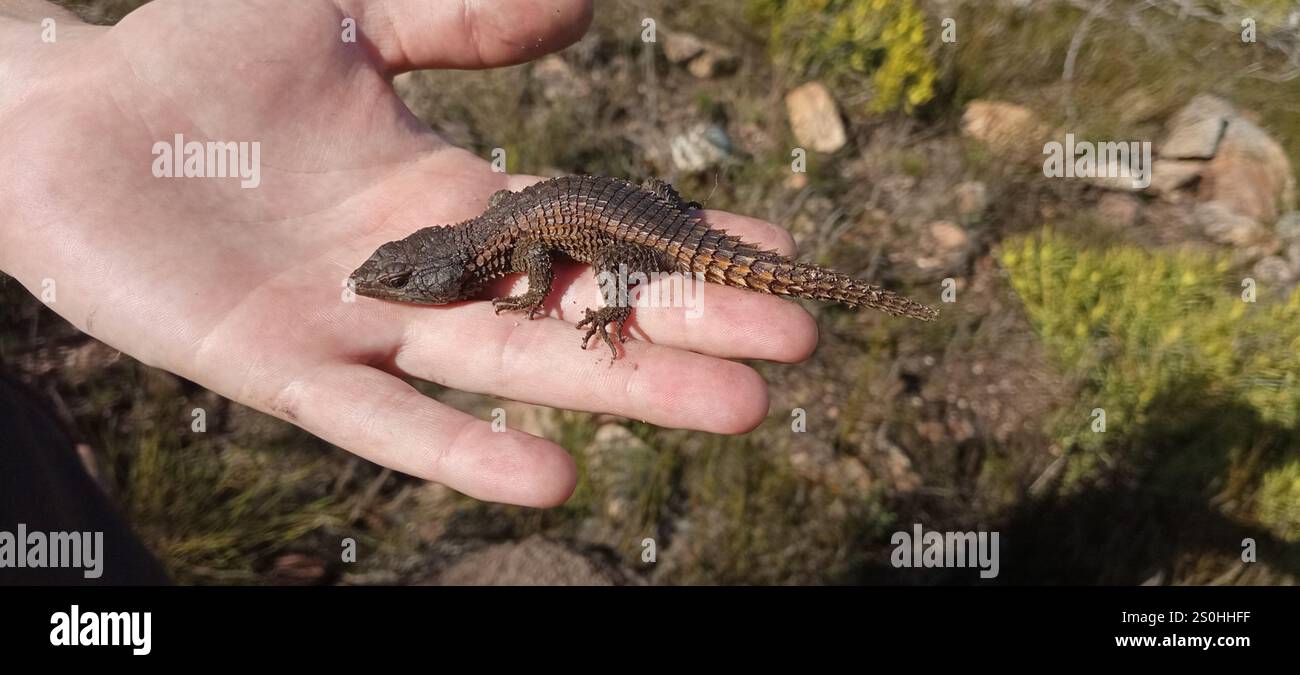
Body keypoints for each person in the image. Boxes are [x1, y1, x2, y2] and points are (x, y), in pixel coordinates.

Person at [0, 0, 818, 518]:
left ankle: (617, 301)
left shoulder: (500, 247)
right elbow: (514, 219)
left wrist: (546, 299)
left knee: (662, 275)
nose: (382, 283)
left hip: (633, 235)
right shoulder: (485, 231)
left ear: (447, 275)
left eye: (397, 278)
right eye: (393, 272)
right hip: (644, 212)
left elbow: (532, 239)